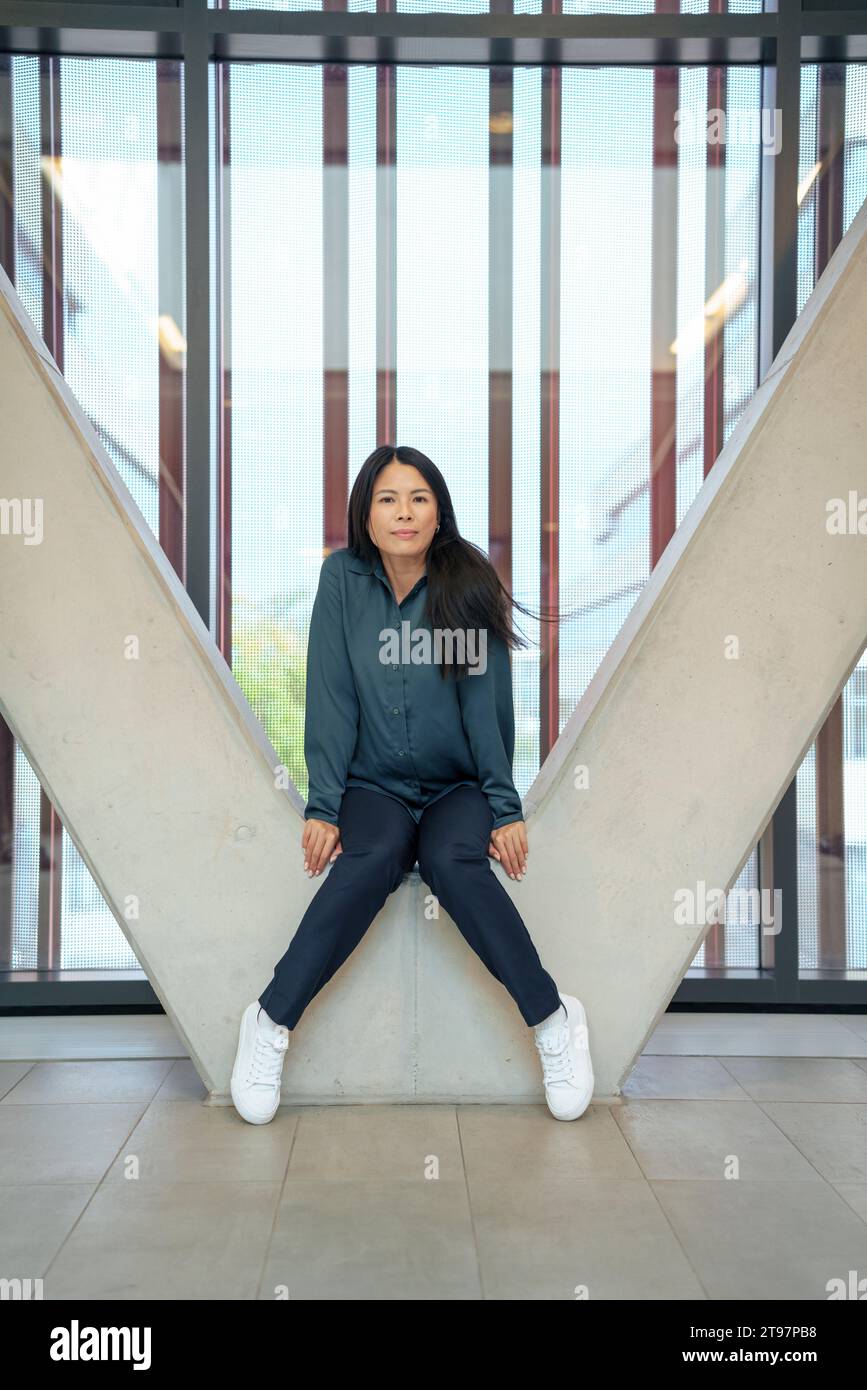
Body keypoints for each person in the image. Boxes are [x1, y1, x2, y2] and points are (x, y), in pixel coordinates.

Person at [231, 444, 593, 1125]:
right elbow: (331, 695)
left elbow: (484, 705)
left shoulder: (466, 581)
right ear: (366, 515)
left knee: (454, 861)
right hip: (376, 787)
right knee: (370, 858)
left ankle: (551, 1021)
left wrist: (502, 806)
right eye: (388, 499)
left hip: (454, 786)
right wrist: (324, 804)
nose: (404, 512)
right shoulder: (341, 581)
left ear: (438, 511)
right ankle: (269, 1024)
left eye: (418, 498)